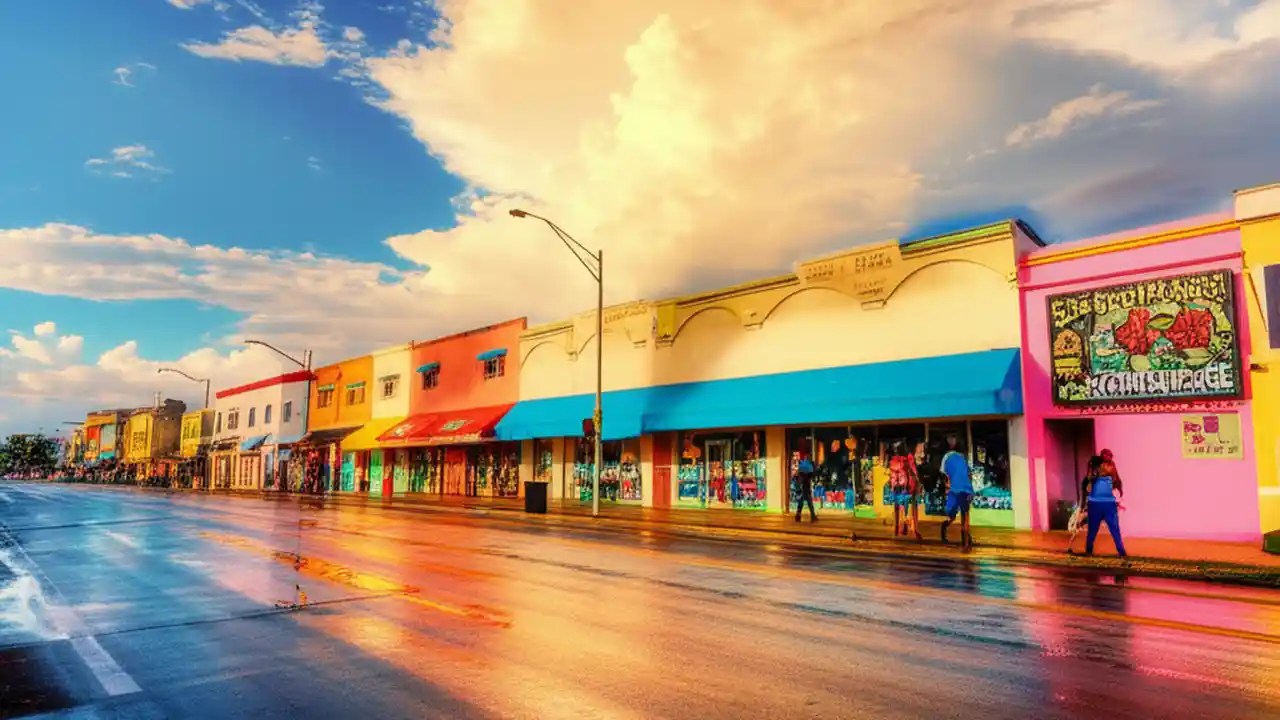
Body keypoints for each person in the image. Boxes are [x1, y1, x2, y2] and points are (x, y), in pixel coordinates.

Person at [1084, 457, 1127, 558]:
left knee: (1114, 530)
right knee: (1093, 530)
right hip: (1096, 504)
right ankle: (1089, 551)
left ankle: (1122, 552)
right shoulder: (1094, 476)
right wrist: (1091, 477)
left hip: (1107, 505)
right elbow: (1088, 488)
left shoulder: (1110, 474)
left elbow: (1115, 480)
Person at [939, 435, 974, 550]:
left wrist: (947, 486)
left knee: (952, 514)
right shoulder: (962, 457)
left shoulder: (946, 457)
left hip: (955, 489)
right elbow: (969, 474)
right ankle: (966, 542)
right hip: (967, 489)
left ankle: (947, 529)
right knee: (965, 514)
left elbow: (944, 475)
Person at [1066, 456, 1101, 554]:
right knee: (1079, 527)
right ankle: (1072, 547)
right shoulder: (1088, 480)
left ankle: (1084, 548)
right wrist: (1081, 509)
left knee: (1085, 528)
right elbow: (1084, 495)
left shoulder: (1096, 479)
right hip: (1087, 508)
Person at [889, 442, 922, 540]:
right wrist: (917, 481)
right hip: (906, 486)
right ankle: (913, 528)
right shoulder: (908, 458)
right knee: (911, 506)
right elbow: (913, 471)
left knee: (899, 507)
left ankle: (898, 528)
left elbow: (891, 473)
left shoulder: (894, 460)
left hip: (899, 486)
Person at [794, 457, 817, 522]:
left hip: (803, 490)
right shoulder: (807, 473)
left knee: (801, 503)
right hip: (805, 490)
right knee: (809, 503)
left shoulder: (803, 472)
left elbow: (798, 482)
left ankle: (798, 516)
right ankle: (812, 516)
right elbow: (802, 482)